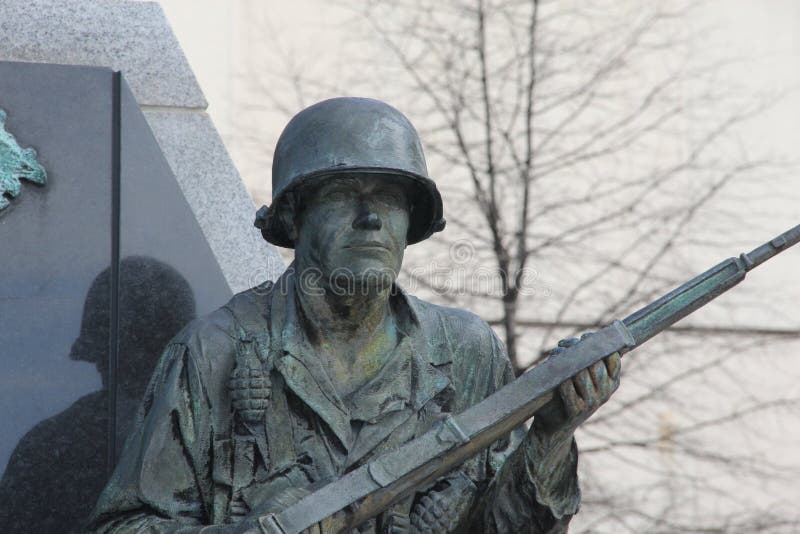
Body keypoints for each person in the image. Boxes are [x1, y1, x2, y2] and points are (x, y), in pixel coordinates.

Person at [89, 98, 620, 533]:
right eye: (344, 194)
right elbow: (123, 527)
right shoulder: (215, 350)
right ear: (294, 216)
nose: (370, 219)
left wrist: (550, 435)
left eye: (389, 199)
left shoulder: (465, 350)